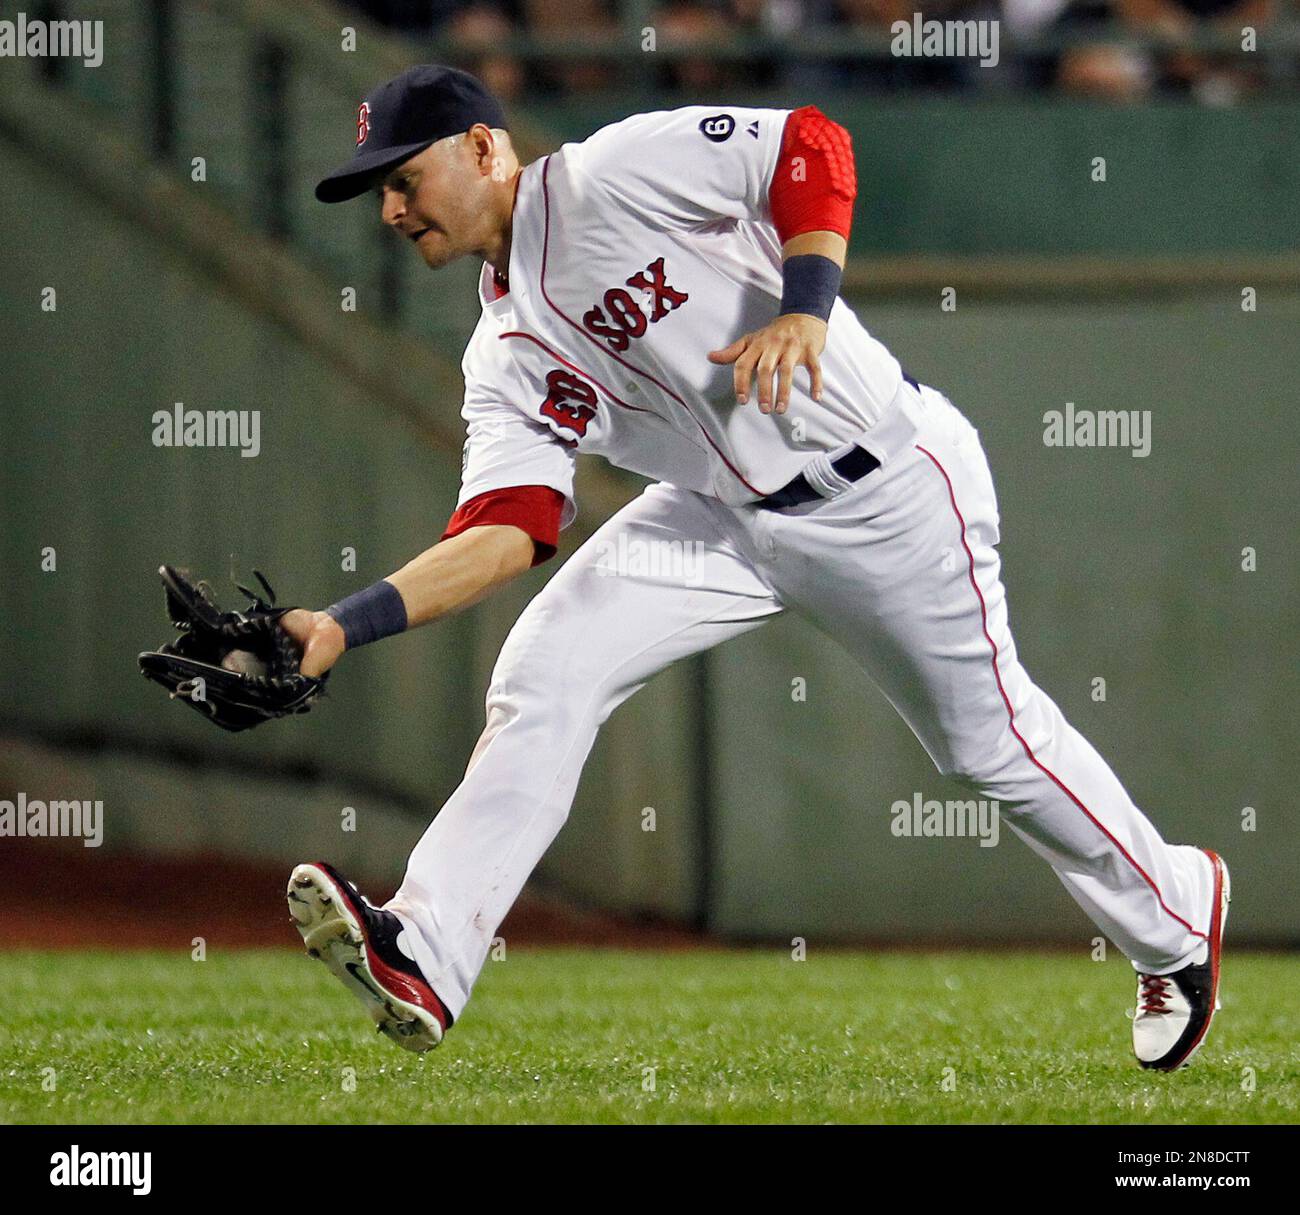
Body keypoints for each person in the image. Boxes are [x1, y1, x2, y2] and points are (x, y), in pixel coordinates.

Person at [282, 64, 1228, 1069]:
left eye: (401, 177)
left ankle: (1173, 913)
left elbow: (810, 144)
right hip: (714, 517)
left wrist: (806, 303)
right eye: (375, 191)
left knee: (989, 750)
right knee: (544, 674)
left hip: (882, 487)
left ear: (482, 149)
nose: (388, 207)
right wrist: (343, 624)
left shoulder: (612, 176)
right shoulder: (503, 352)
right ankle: (426, 945)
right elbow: (507, 531)